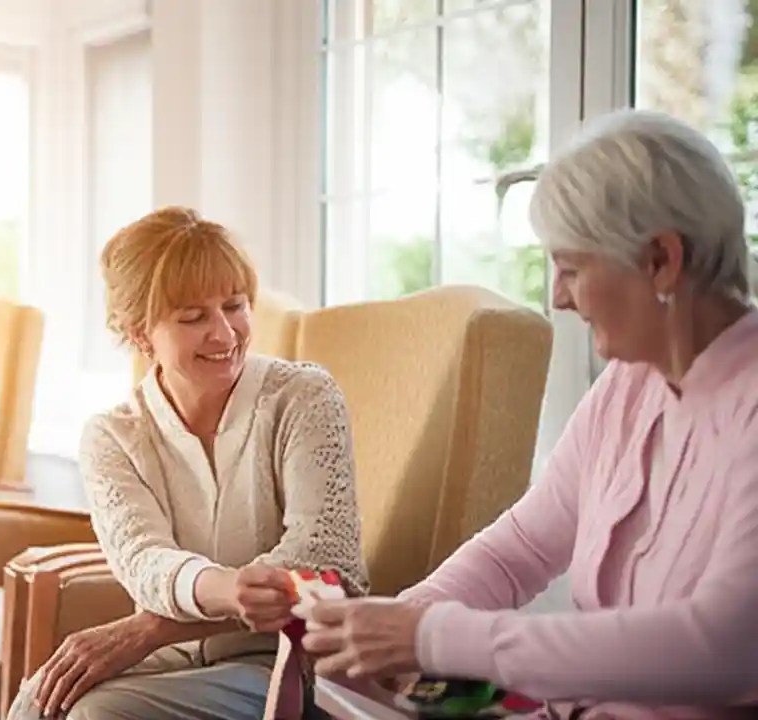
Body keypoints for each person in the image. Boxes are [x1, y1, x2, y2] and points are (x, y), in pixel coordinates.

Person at [299, 109, 758, 718]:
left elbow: (719, 648)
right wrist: (401, 622)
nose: (557, 298)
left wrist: (432, 636)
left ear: (661, 261)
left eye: (571, 269)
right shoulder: (627, 385)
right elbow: (519, 548)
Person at [7, 206, 368, 719]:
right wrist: (218, 598)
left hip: (285, 666)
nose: (224, 334)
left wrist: (153, 626)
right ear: (138, 333)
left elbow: (325, 561)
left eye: (235, 305)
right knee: (36, 705)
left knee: (96, 716)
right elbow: (145, 562)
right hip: (168, 666)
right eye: (193, 317)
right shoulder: (112, 437)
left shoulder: (304, 398)